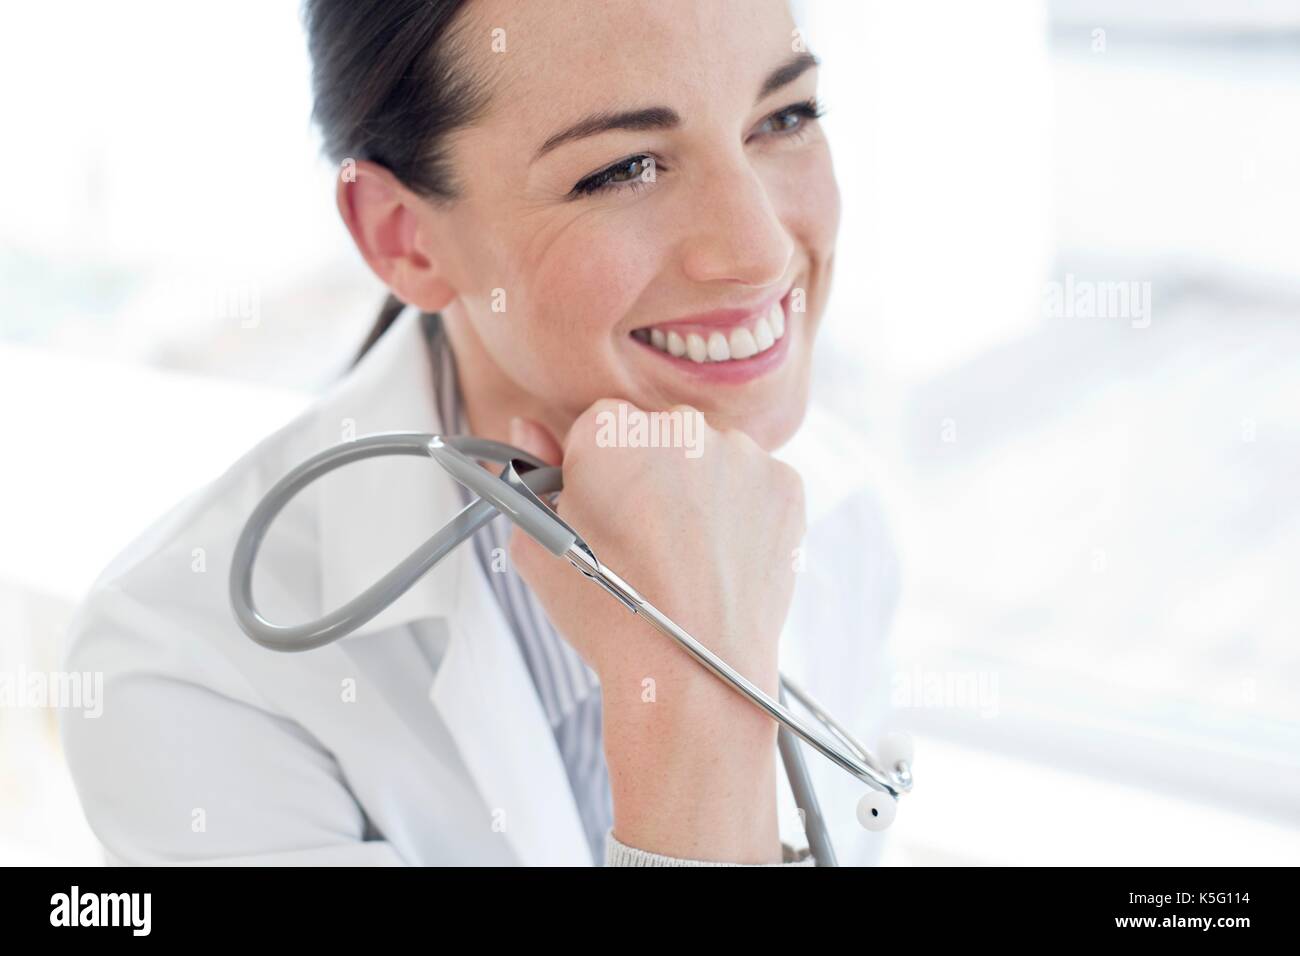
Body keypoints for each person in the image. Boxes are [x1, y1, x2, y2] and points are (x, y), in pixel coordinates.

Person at [61, 0, 899, 866]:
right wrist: (694, 695)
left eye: (786, 116)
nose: (759, 249)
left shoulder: (844, 511)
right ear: (405, 239)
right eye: (625, 168)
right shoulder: (183, 675)